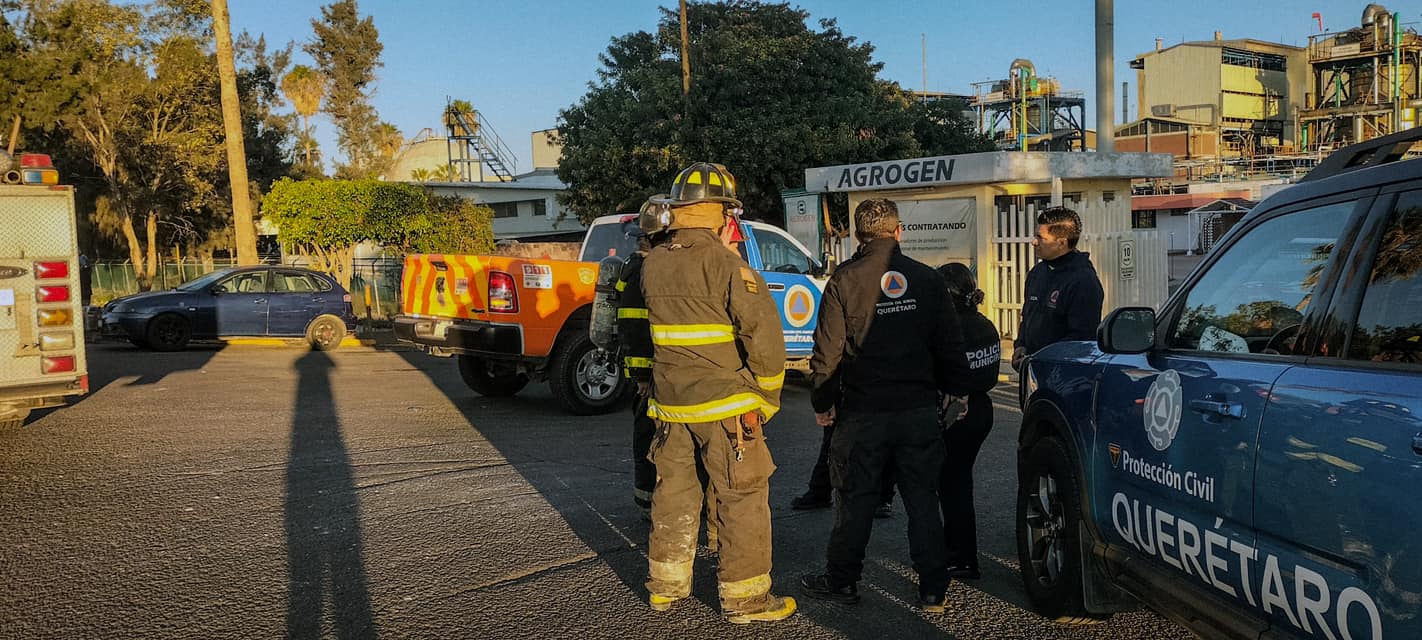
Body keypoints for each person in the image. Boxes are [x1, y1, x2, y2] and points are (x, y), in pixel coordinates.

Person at [640, 162, 796, 624]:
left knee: (675, 493)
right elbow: (765, 340)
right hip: (727, 407)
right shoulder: (730, 265)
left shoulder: (654, 265)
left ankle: (666, 586)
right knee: (741, 496)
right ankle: (745, 600)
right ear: (724, 214)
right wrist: (765, 398)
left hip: (671, 406)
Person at [800, 198, 970, 614]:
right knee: (922, 500)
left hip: (863, 413)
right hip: (916, 412)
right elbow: (950, 344)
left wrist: (823, 402)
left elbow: (827, 354)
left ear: (858, 236)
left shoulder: (844, 281)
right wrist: (956, 391)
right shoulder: (927, 280)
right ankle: (933, 589)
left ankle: (841, 581)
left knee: (855, 500)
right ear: (898, 232)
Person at [934, 263, 1001, 580]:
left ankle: (960, 556)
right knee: (958, 483)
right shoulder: (986, 326)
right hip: (981, 409)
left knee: (953, 486)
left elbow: (940, 375)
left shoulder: (949, 330)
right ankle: (958, 552)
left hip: (955, 412)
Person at [617, 198, 673, 521]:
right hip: (648, 373)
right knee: (650, 437)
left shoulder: (635, 268)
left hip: (648, 369)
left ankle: (651, 499)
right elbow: (635, 324)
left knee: (652, 436)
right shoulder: (643, 270)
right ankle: (649, 502)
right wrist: (641, 377)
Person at [1011, 206, 1104, 371]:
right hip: (1033, 370)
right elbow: (1027, 316)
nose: (1034, 242)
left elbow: (1081, 338)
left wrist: (1041, 357)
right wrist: (1020, 345)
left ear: (1061, 243)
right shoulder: (1037, 273)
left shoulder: (1083, 281)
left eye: (1041, 238)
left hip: (1062, 375)